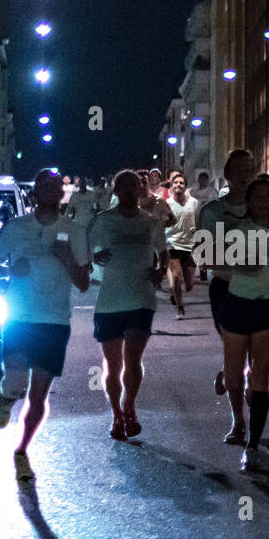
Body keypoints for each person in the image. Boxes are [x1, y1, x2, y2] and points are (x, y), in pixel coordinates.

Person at [0, 171, 91, 482]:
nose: (48, 190)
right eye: (41, 185)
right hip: (19, 316)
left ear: (62, 194)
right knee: (17, 377)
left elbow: (84, 284)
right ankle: (6, 398)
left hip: (55, 320)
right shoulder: (17, 227)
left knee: (38, 396)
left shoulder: (74, 231)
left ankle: (22, 451)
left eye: (54, 186)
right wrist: (7, 269)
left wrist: (68, 259)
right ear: (33, 194)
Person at [89, 170, 167, 440]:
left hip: (141, 298)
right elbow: (86, 250)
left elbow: (163, 252)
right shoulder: (103, 221)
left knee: (133, 360)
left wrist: (160, 271)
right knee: (112, 365)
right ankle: (116, 414)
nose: (130, 191)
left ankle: (130, 407)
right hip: (110, 300)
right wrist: (96, 256)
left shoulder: (151, 222)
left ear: (140, 189)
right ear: (116, 191)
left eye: (134, 186)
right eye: (124, 186)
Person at [220, 177, 269, 470]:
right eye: (257, 197)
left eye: (267, 197)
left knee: (260, 379)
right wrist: (245, 260)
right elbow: (229, 261)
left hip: (266, 308)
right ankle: (237, 417)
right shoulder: (238, 230)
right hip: (237, 305)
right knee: (234, 379)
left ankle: (253, 446)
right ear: (248, 202)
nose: (262, 201)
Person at [195, 148, 254, 442]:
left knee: (254, 360)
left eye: (250, 168)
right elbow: (201, 254)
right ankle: (238, 422)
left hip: (258, 289)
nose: (245, 173)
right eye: (239, 168)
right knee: (235, 352)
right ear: (228, 175)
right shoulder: (212, 212)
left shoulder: (266, 209)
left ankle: (235, 378)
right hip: (226, 289)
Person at [165, 173, 199, 320]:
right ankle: (180, 307)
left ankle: (175, 292)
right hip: (172, 245)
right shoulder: (166, 203)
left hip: (189, 246)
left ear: (185, 187)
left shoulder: (194, 203)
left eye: (181, 183)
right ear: (172, 187)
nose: (178, 185)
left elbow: (199, 221)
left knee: (189, 285)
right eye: (175, 183)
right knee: (177, 277)